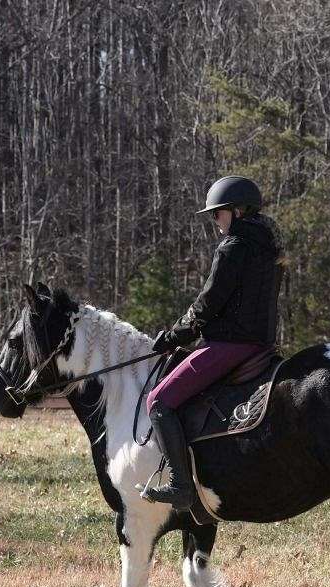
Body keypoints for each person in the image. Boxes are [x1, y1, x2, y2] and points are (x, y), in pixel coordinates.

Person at [140, 176, 283, 509]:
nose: (215, 220)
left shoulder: (233, 247)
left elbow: (207, 304)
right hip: (261, 345)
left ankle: (180, 486)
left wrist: (174, 336)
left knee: (158, 401)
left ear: (237, 211)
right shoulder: (269, 247)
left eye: (217, 213)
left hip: (230, 345)